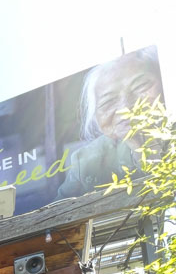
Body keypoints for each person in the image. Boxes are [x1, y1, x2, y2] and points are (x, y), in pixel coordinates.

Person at [57, 46, 163, 199]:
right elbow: (58, 216)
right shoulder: (86, 161)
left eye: (140, 86)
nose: (126, 107)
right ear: (97, 118)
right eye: (109, 101)